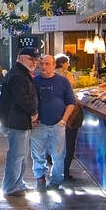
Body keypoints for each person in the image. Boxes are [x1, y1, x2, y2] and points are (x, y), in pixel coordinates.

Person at [0, 47, 39, 197]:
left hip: (18, 119)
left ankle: (18, 183)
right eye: (30, 59)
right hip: (15, 120)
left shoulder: (21, 73)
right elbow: (22, 98)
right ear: (20, 58)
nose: (34, 62)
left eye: (35, 60)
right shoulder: (18, 75)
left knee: (21, 154)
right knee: (17, 155)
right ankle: (11, 186)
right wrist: (33, 112)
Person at [30, 55, 76, 191]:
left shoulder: (62, 81)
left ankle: (56, 181)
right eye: (42, 64)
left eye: (47, 64)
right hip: (39, 125)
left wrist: (64, 120)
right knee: (37, 154)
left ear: (54, 65)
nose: (44, 67)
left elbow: (71, 103)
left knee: (58, 155)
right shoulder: (34, 82)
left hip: (58, 125)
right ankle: (40, 178)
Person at [54, 54, 84, 181]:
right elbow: (72, 89)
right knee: (69, 144)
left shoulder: (50, 76)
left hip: (55, 115)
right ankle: (64, 171)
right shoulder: (66, 75)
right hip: (68, 116)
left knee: (57, 145)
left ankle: (57, 171)